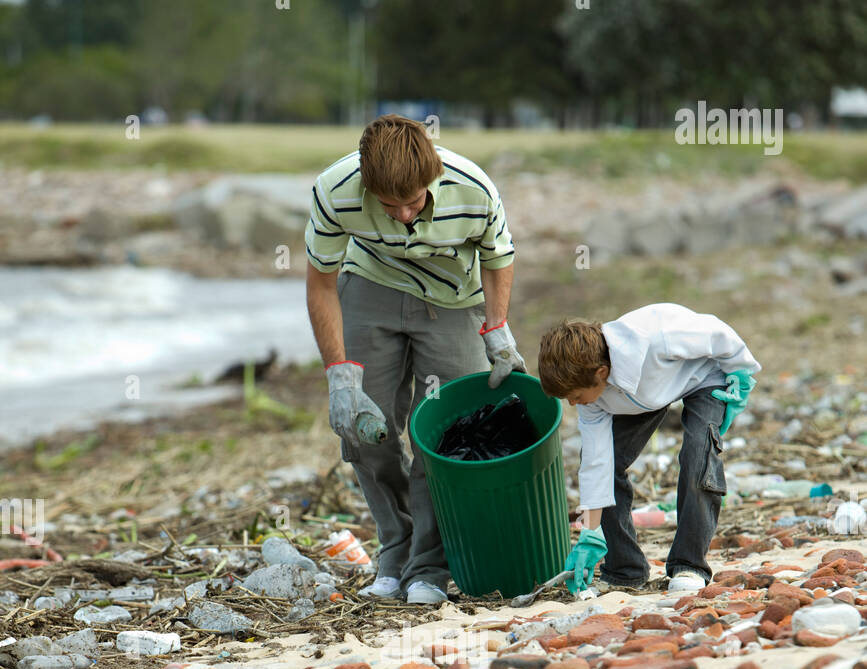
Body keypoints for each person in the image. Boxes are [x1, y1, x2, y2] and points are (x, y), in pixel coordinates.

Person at [306, 114, 524, 605]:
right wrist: (339, 377)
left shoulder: (475, 190)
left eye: (414, 202)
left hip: (452, 300)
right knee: (364, 428)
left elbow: (497, 259)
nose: (403, 215)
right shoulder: (333, 190)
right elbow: (320, 282)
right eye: (388, 205)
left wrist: (496, 330)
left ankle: (429, 564)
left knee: (445, 431)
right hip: (371, 285)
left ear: (433, 179)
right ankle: (396, 547)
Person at [537, 304, 761, 594]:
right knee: (610, 463)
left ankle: (689, 565)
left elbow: (718, 333)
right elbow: (597, 464)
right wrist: (590, 533)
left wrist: (740, 372)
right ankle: (624, 569)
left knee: (697, 456)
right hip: (643, 399)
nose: (573, 404)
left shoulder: (656, 338)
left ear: (601, 372)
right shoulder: (591, 398)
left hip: (703, 379)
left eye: (576, 396)